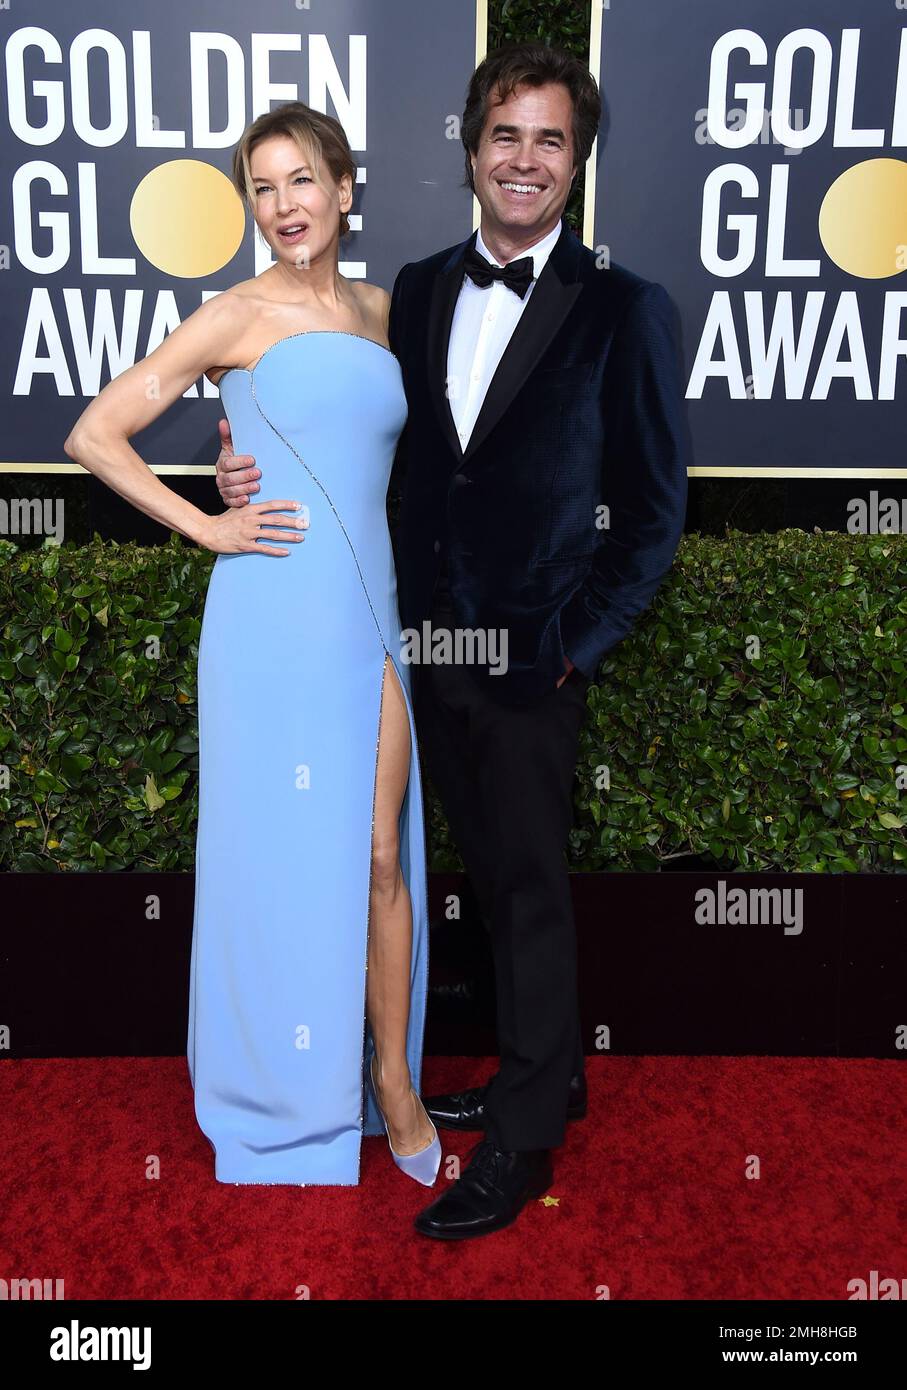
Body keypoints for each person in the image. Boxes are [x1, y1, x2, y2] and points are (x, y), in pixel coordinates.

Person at [215, 43, 690, 1235]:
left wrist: (574, 646)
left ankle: (525, 1143)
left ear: (576, 162)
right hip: (416, 650)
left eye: (550, 140)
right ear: (470, 150)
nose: (522, 160)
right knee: (467, 871)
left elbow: (652, 514)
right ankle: (551, 1071)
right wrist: (238, 464)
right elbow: (359, 440)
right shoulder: (414, 290)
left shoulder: (626, 309)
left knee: (527, 888)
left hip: (534, 660)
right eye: (504, 136)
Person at [64, 101, 440, 1189]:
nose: (284, 206)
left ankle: (391, 1083)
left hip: (366, 614)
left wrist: (254, 454)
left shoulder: (379, 310)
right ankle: (286, 1088)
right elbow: (97, 431)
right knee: (279, 863)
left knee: (376, 855)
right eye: (263, 188)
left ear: (344, 188)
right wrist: (208, 519)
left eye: (302, 181)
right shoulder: (233, 314)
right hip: (269, 617)